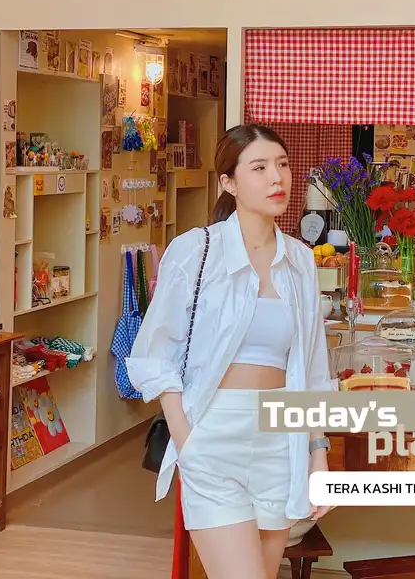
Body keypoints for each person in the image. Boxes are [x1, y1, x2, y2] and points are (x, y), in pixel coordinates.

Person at [126, 125, 335, 579]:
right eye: (259, 168)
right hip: (214, 435)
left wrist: (318, 454)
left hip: (282, 440)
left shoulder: (300, 260)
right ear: (229, 182)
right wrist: (187, 440)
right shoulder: (196, 250)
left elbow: (313, 368)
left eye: (282, 164)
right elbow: (155, 355)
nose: (276, 177)